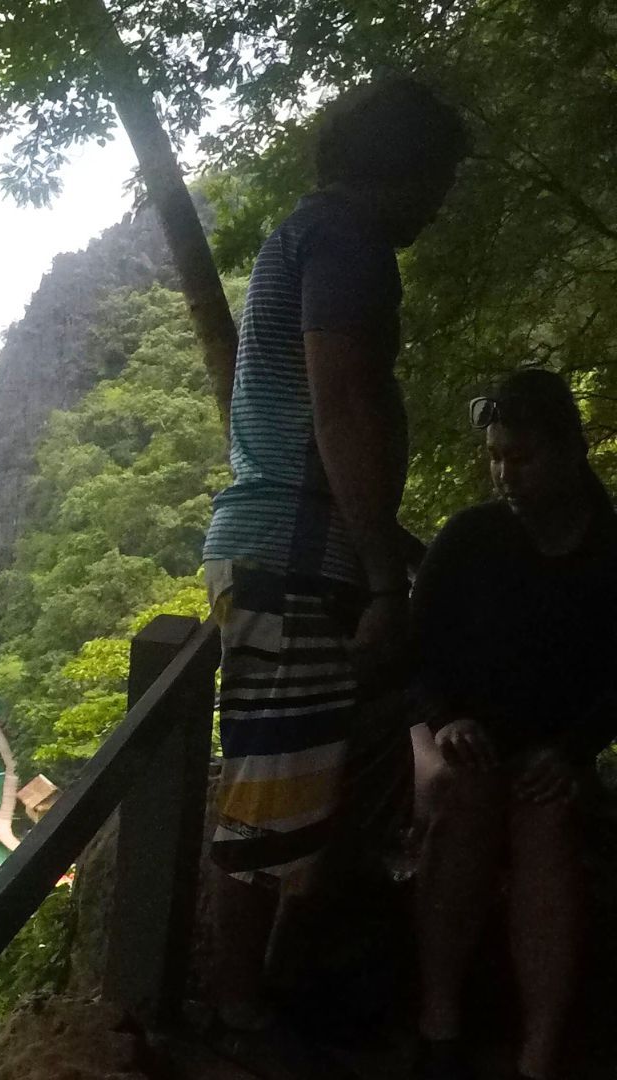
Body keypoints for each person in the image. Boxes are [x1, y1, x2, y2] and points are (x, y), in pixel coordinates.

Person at [200, 75, 469, 1060]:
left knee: (304, 794)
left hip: (294, 550)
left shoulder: (310, 234)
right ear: (400, 171)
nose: (440, 202)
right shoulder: (350, 241)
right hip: (292, 561)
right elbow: (342, 404)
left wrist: (391, 545)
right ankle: (242, 1013)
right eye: (437, 178)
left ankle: (272, 992)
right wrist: (386, 578)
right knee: (266, 804)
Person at [410, 369, 617, 1080]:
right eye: (496, 457)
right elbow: (415, 652)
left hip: (551, 749)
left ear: (570, 450)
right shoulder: (472, 536)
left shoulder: (610, 551)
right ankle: (438, 1022)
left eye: (520, 458)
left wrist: (570, 752)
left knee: (546, 824)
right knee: (465, 797)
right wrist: (445, 719)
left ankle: (539, 1053)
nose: (504, 474)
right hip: (457, 731)